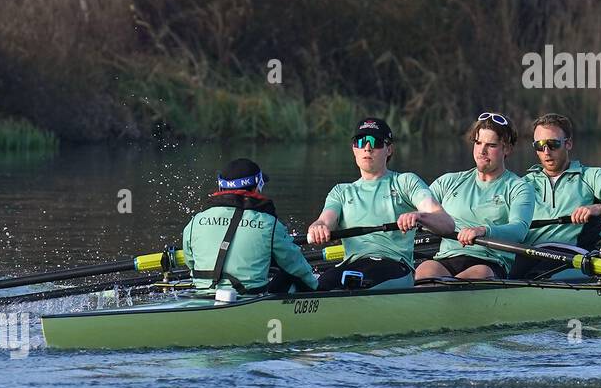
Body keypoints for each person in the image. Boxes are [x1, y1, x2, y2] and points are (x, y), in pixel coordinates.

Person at [306, 118, 455, 291]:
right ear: (354, 149)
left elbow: (446, 223)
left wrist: (419, 216)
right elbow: (325, 221)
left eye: (375, 142)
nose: (367, 147)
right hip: (352, 266)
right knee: (312, 286)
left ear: (389, 149)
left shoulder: (405, 182)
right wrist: (317, 227)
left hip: (395, 267)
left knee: (350, 285)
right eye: (361, 142)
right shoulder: (341, 192)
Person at [515, 113, 601, 280]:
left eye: (553, 144)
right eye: (539, 145)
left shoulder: (592, 176)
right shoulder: (523, 184)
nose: (546, 151)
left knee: (535, 277)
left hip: (573, 256)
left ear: (568, 143)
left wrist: (599, 208)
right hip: (527, 253)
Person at [414, 113, 536, 282]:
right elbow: (419, 207)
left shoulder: (519, 187)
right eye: (478, 143)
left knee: (472, 278)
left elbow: (519, 230)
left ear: (507, 149)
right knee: (424, 271)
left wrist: (483, 230)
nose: (481, 151)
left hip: (489, 262)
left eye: (491, 145)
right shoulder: (449, 181)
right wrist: (415, 216)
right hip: (447, 257)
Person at [181, 158, 317, 296]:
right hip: (250, 297)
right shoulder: (269, 224)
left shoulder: (196, 221)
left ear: (221, 188)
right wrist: (319, 288)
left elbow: (191, 263)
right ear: (257, 187)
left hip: (202, 295)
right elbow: (296, 266)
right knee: (289, 276)